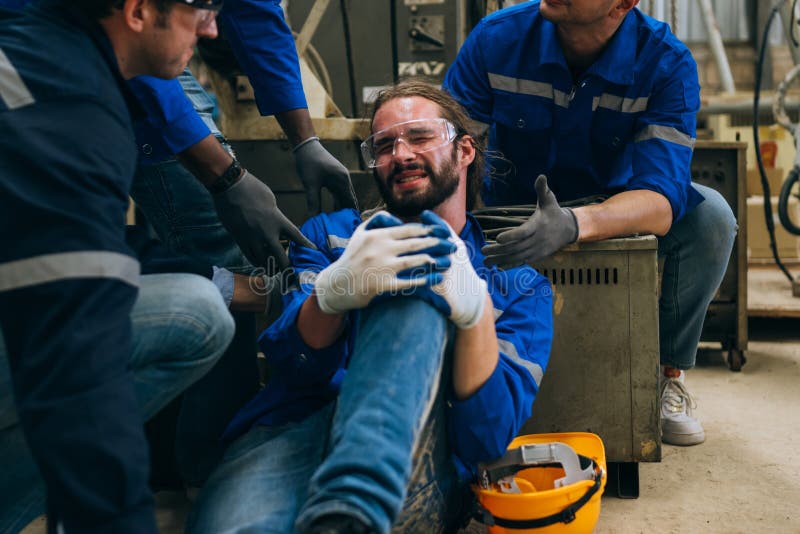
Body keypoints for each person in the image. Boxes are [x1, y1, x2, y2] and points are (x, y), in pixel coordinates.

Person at [186, 80, 554, 534]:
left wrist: (474, 311)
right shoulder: (331, 237)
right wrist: (332, 293)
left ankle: (353, 499)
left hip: (419, 451)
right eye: (383, 145)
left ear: (464, 151)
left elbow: (484, 439)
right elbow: (295, 365)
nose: (400, 154)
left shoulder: (518, 288)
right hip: (294, 433)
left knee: (414, 284)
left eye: (419, 136)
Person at [443, 0, 737, 446]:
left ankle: (663, 373)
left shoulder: (665, 62)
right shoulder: (496, 39)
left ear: (623, 3)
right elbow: (449, 155)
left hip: (612, 209)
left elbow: (660, 200)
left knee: (712, 218)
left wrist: (576, 222)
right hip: (508, 211)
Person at [0, 0, 236, 530]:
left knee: (199, 300)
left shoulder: (39, 52)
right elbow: (76, 350)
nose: (214, 27)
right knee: (195, 320)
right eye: (202, 8)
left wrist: (229, 280)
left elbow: (68, 228)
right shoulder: (73, 109)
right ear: (137, 11)